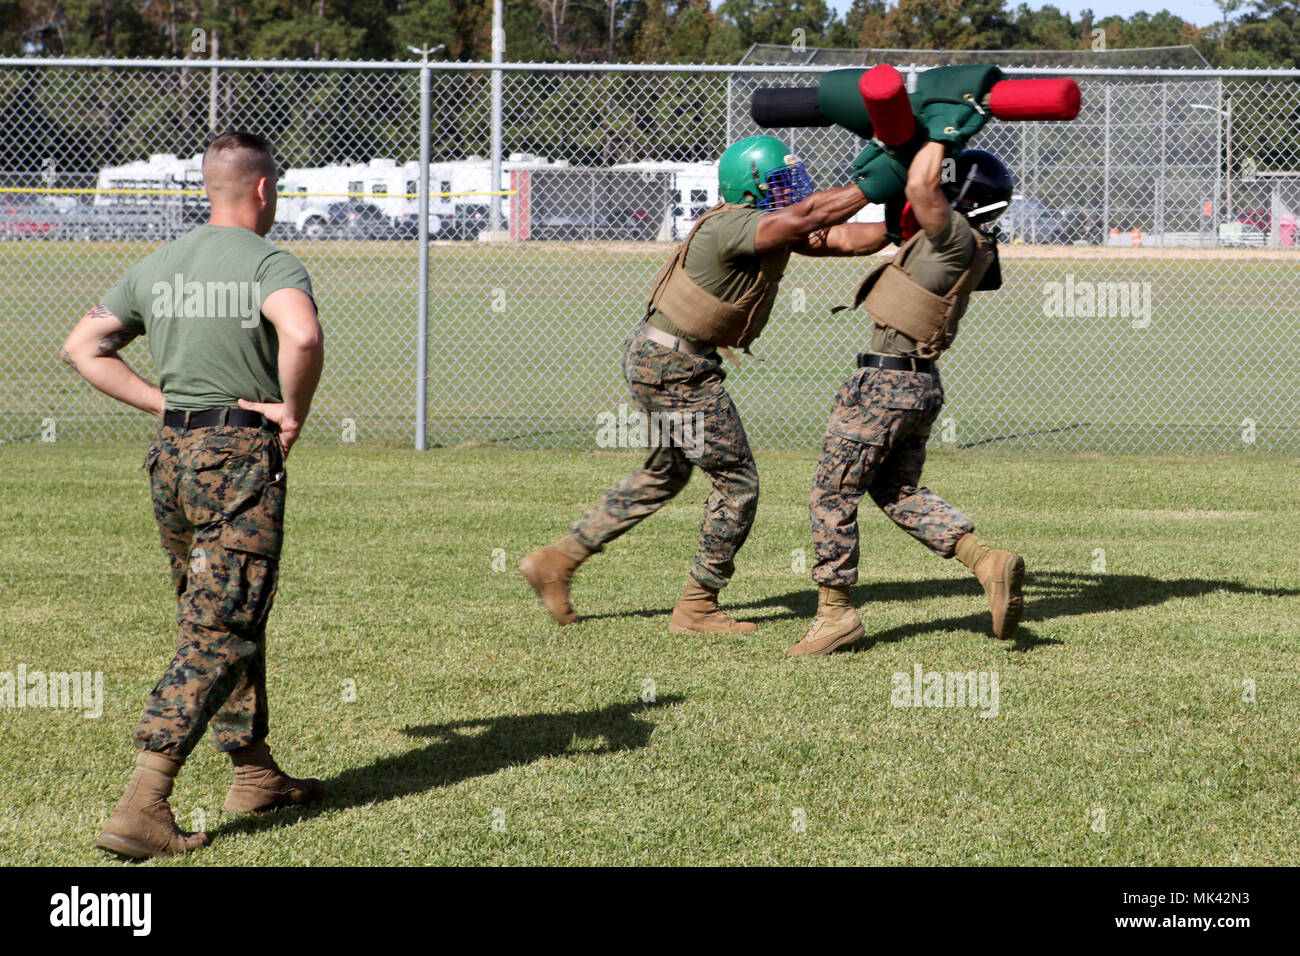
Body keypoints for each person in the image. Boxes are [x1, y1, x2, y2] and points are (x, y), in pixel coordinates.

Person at [60, 131, 326, 858]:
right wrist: (292, 412)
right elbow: (300, 337)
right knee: (221, 623)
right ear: (264, 190)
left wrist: (163, 404)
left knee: (222, 606)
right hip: (239, 455)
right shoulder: (272, 261)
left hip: (173, 456)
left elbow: (82, 349)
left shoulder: (159, 264)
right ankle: (145, 800)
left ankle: (253, 772)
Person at [520, 135, 889, 634]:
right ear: (750, 188)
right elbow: (807, 219)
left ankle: (558, 560)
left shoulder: (764, 225)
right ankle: (697, 606)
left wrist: (904, 221)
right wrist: (875, 182)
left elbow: (839, 238)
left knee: (665, 473)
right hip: (677, 369)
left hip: (662, 358)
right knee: (737, 484)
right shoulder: (735, 224)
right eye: (782, 182)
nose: (795, 190)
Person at [788, 144, 1026, 656]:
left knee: (833, 494)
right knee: (896, 489)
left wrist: (933, 132)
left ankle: (835, 615)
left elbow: (920, 188)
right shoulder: (962, 242)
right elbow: (857, 231)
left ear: (958, 194)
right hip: (915, 385)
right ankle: (987, 562)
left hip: (886, 386)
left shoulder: (954, 236)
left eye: (945, 182)